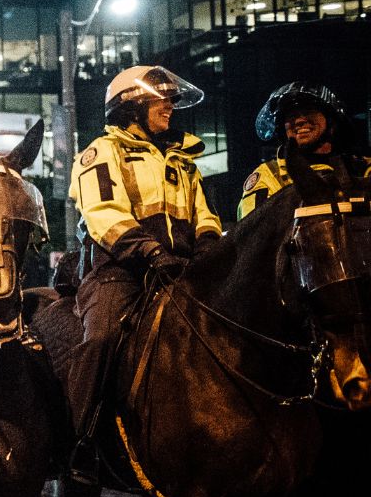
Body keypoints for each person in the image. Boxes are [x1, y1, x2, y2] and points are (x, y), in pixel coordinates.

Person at [66, 65, 221, 476]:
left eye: (171, 99)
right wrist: (150, 253)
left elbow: (204, 215)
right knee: (102, 336)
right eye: (160, 99)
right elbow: (104, 214)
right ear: (132, 106)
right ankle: (80, 441)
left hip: (180, 271)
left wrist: (208, 249)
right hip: (120, 272)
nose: (169, 107)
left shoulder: (183, 161)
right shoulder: (102, 153)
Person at [239, 83, 368, 218]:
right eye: (291, 115)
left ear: (331, 121)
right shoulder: (268, 177)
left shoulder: (363, 169)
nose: (299, 120)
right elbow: (252, 235)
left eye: (308, 111)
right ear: (281, 128)